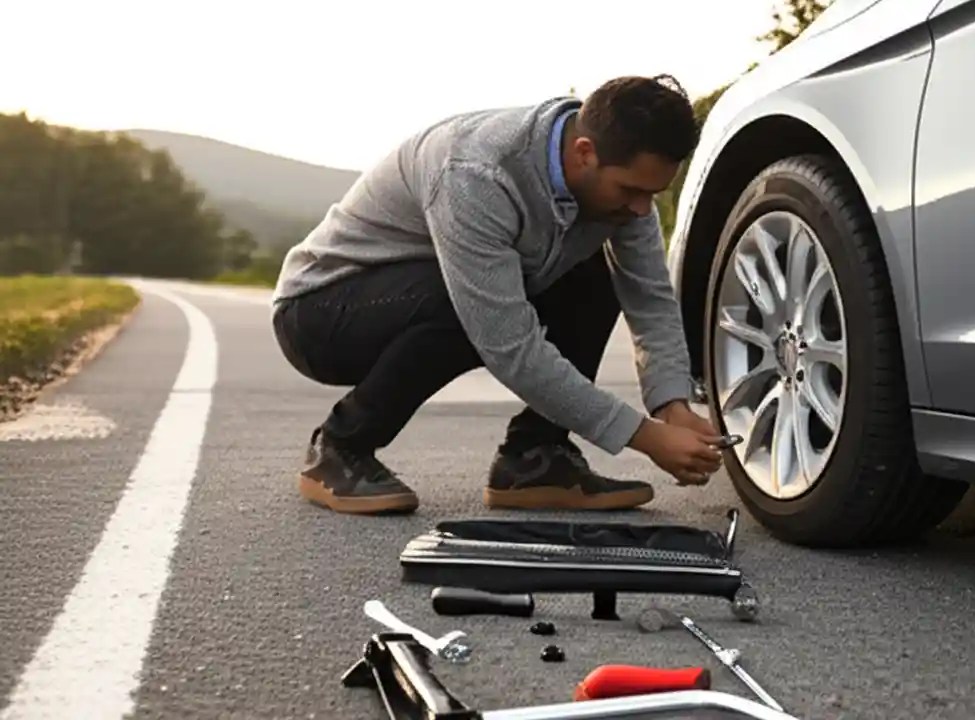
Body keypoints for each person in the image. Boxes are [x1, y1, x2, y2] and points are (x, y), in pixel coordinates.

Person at [270, 74, 727, 516]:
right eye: (631, 190)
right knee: (465, 302)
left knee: (595, 269)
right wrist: (645, 436)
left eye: (653, 193)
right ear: (585, 153)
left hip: (417, 292)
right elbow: (509, 345)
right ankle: (339, 447)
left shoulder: (622, 186)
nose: (642, 208)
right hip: (320, 312)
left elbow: (650, 298)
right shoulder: (477, 173)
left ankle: (534, 460)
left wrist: (674, 406)